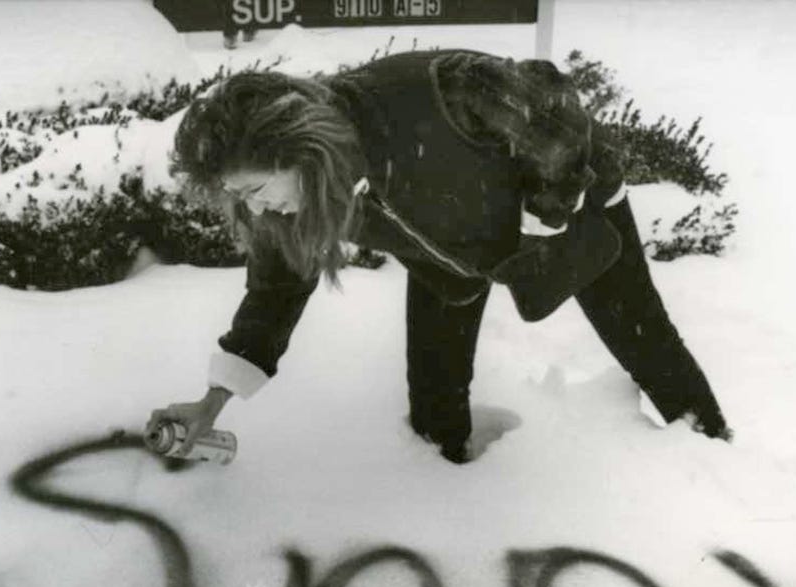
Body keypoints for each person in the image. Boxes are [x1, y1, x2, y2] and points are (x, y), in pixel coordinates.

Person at [149, 50, 730, 464]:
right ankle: (445, 489)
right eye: (238, 197)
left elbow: (552, 105)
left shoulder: (439, 91)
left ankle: (712, 456)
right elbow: (273, 294)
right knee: (433, 397)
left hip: (575, 217)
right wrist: (214, 398)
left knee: (641, 334)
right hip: (446, 258)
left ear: (301, 150)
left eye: (253, 187)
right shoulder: (293, 204)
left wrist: (542, 218)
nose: (255, 206)